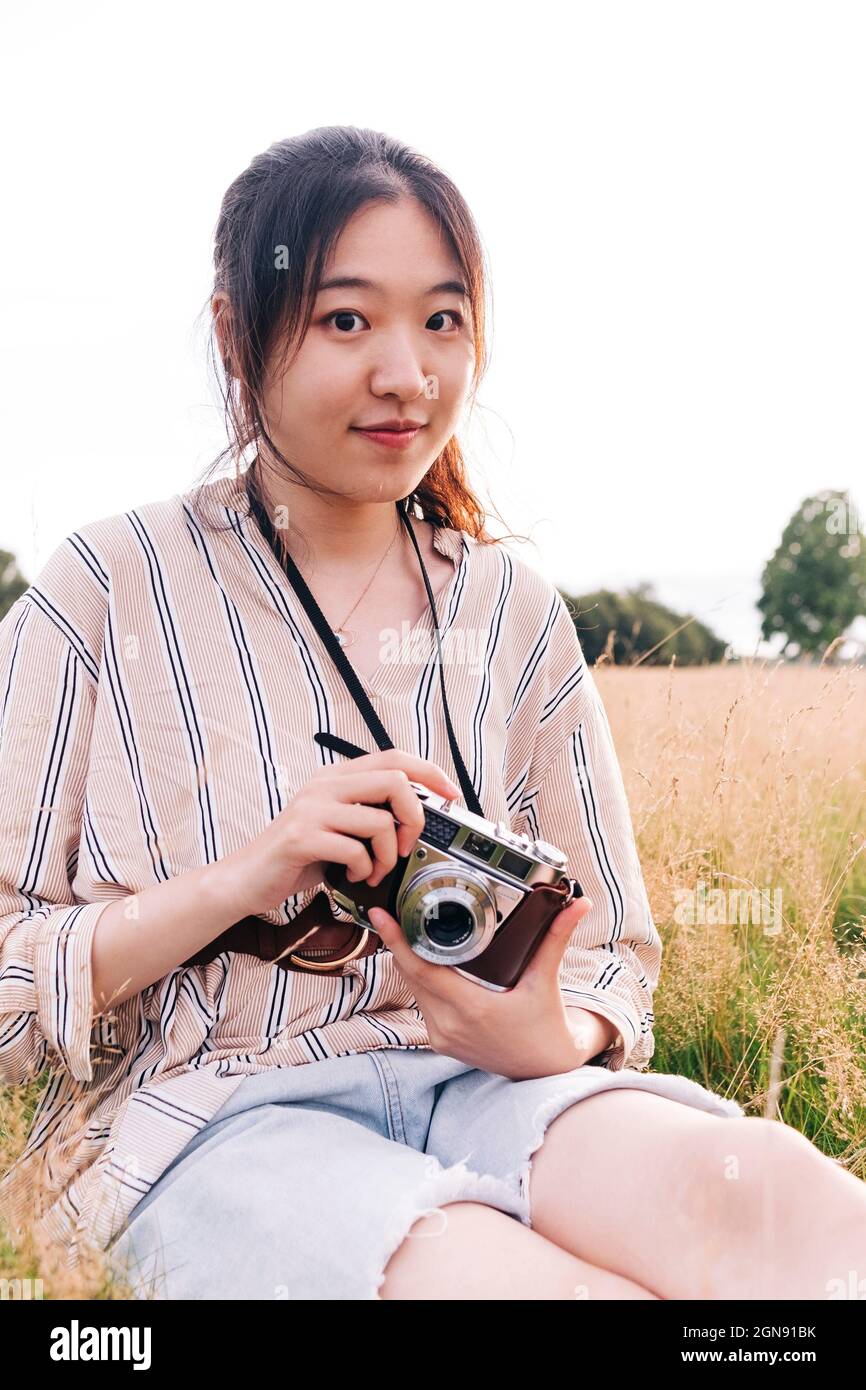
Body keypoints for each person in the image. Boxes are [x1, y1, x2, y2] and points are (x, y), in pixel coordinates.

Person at [2, 126, 865, 1302]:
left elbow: (613, 952)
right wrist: (239, 881)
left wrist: (554, 1039)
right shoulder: (104, 590)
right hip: (208, 1118)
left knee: (764, 1191)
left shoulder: (510, 609)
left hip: (485, 1087)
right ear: (232, 335)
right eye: (345, 319)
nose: (406, 373)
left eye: (442, 320)